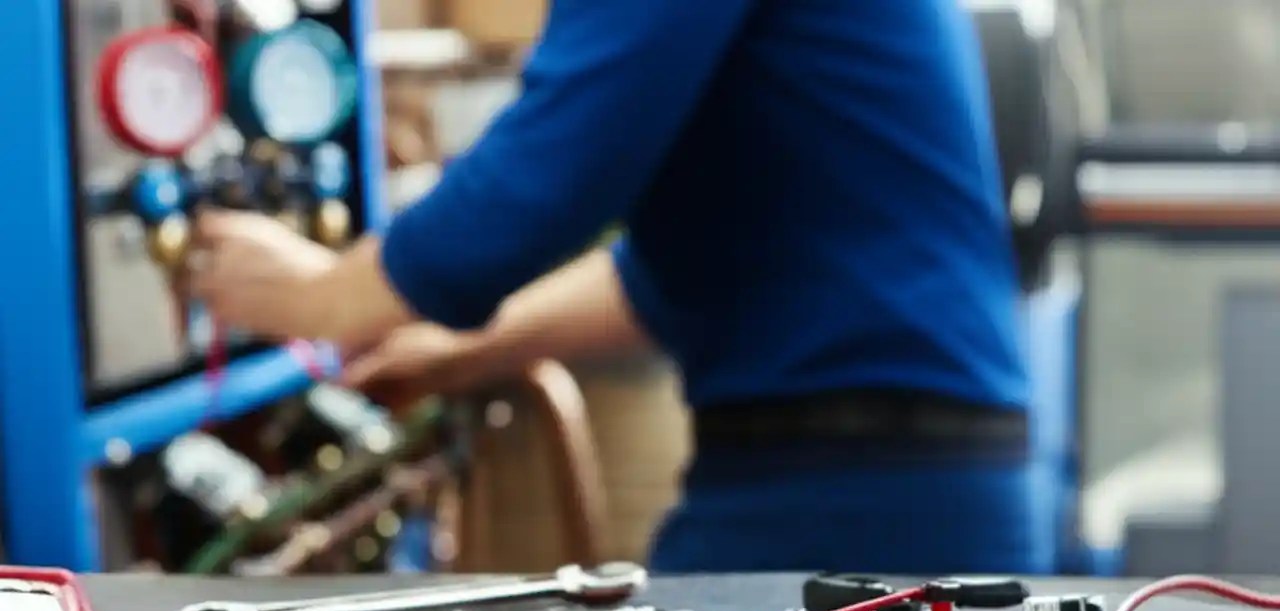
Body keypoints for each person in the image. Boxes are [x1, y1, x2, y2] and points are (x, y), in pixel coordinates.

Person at [190, 0, 1056, 574]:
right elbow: (684, 270)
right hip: (912, 483)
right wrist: (462, 351)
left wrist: (315, 298)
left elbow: (542, 184)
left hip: (847, 502)